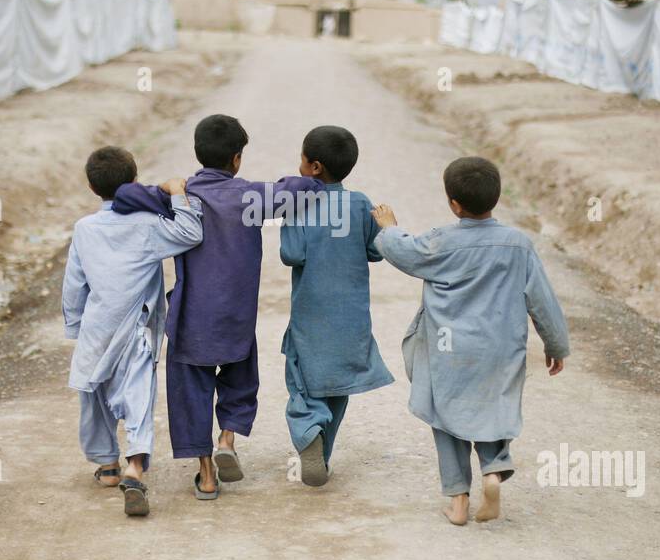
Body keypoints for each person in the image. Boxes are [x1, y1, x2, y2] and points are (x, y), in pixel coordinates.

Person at [113, 115, 320, 498]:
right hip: (236, 317)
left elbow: (124, 195)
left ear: (197, 153)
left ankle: (207, 475)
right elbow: (304, 188)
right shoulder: (250, 197)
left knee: (190, 394)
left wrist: (168, 188)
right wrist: (301, 174)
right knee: (240, 382)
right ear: (237, 159)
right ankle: (227, 439)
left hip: (190, 318)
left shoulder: (183, 196)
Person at [371, 156, 569, 525]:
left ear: (454, 204)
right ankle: (493, 469)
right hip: (499, 350)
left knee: (445, 413)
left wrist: (389, 227)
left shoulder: (442, 241)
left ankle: (459, 499)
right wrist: (556, 345)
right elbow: (543, 300)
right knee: (494, 407)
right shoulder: (518, 245)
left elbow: (403, 252)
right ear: (496, 197)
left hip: (448, 349)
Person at [62, 146, 202, 516]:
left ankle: (107, 465)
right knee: (138, 395)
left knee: (94, 396)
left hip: (97, 328)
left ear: (92, 187)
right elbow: (190, 233)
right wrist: (178, 194)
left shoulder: (84, 229)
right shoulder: (148, 224)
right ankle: (135, 467)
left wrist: (74, 325)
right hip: (136, 327)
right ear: (135, 181)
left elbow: (74, 283)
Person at [279, 125, 393, 485]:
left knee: (302, 380)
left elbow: (292, 254)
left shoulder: (299, 204)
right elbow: (376, 251)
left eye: (301, 159)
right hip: (352, 319)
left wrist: (287, 220)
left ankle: (308, 430)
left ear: (314, 167)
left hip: (310, 315)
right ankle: (322, 456)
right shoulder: (360, 203)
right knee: (338, 387)